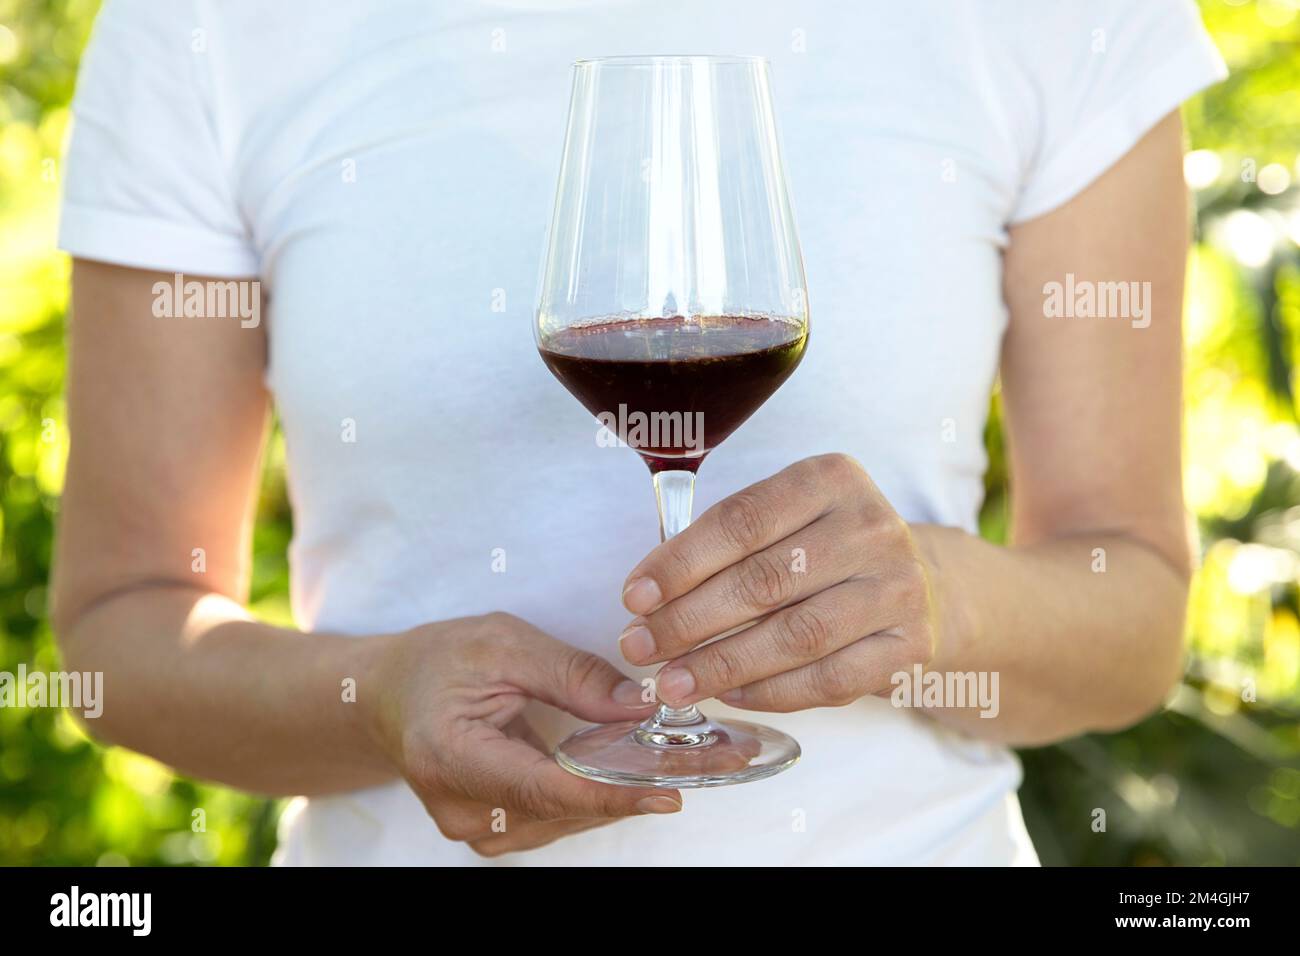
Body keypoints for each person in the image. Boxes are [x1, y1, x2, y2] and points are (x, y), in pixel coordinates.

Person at [51, 0, 1226, 865]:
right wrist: (374, 694)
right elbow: (122, 635)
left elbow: (1130, 612)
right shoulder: (199, 29)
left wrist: (941, 598)